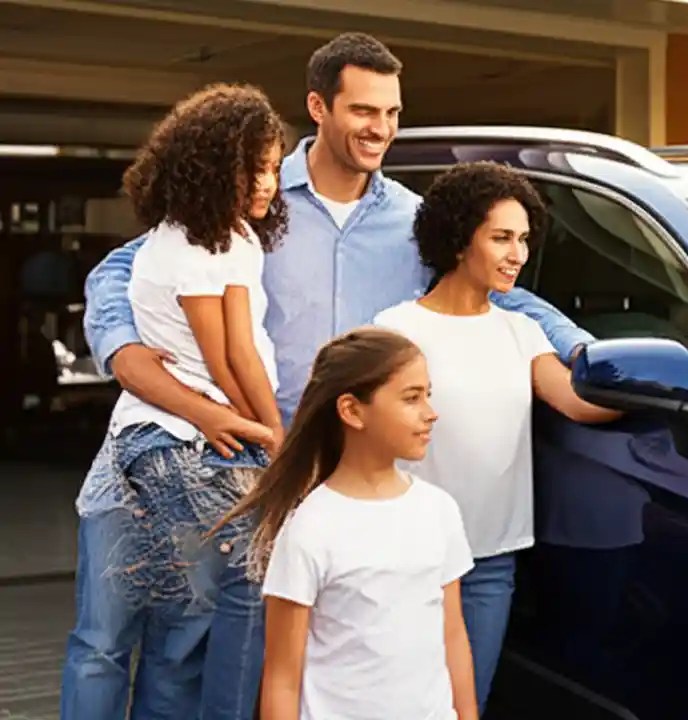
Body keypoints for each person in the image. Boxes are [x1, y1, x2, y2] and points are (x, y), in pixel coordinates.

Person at [76, 31, 591, 712]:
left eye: (392, 113)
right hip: (258, 468)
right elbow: (127, 267)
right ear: (318, 107)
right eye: (363, 111)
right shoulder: (251, 193)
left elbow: (500, 295)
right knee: (201, 657)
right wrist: (126, 355)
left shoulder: (416, 223)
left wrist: (582, 352)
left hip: (357, 486)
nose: (380, 129)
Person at [61, 83, 288, 720]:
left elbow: (237, 347)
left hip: (204, 444)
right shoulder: (156, 252)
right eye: (256, 169)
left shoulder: (238, 240)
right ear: (213, 170)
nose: (268, 184)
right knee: (108, 640)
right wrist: (257, 430)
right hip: (160, 453)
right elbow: (134, 359)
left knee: (180, 637)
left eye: (273, 169)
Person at [373, 160, 622, 713]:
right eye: (502, 238)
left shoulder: (521, 329)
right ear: (460, 238)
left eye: (525, 239)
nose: (518, 254)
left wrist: (662, 390)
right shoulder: (396, 331)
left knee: (467, 709)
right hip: (407, 561)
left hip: (490, 563)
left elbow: (576, 401)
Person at [211, 328, 479, 720]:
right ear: (352, 410)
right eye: (411, 398)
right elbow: (282, 677)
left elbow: (452, 635)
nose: (430, 412)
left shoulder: (439, 509)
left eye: (428, 394)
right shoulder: (310, 529)